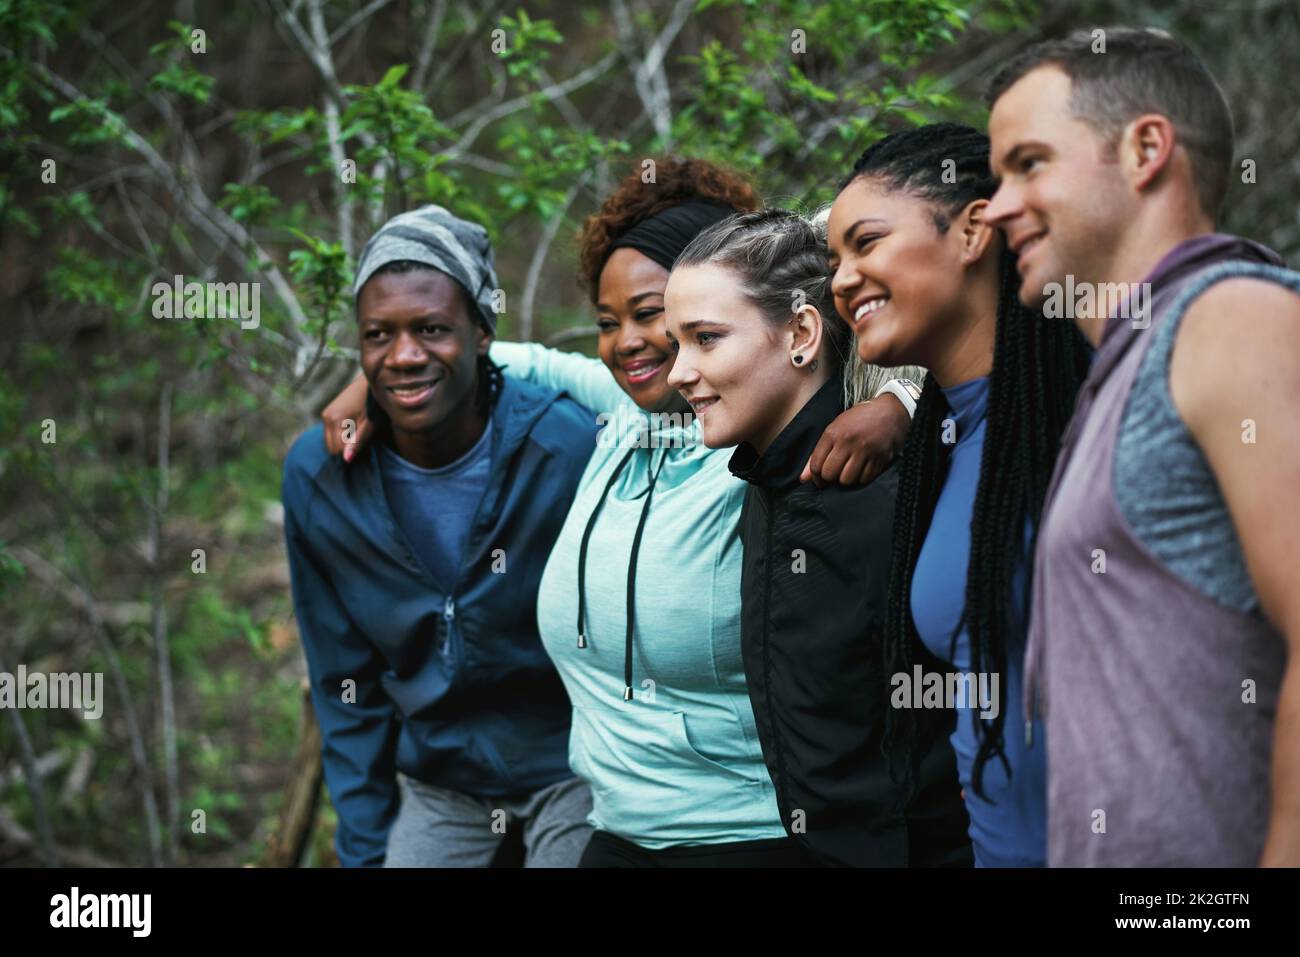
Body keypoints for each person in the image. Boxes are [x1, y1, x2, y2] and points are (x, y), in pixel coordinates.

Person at [321, 158, 916, 866]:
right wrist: (389, 374)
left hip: (745, 832)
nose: (632, 340)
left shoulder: (758, 446)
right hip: (617, 830)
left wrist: (901, 400)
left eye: (663, 318)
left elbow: (921, 321)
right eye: (609, 322)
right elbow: (522, 356)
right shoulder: (622, 420)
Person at [985, 26, 1300, 866]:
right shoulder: (1126, 364)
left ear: (1146, 150)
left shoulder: (1232, 317)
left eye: (1028, 164)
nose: (999, 204)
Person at [282, 205, 597, 867]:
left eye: (430, 328)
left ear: (481, 333)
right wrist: (366, 852)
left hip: (575, 764)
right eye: (379, 334)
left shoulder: (563, 447)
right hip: (443, 781)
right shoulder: (322, 478)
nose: (403, 356)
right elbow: (345, 686)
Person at [664, 208, 970, 866]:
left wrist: (904, 402)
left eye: (706, 339)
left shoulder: (887, 492)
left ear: (801, 334)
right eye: (676, 344)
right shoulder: (766, 482)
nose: (677, 373)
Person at [825, 123, 1093, 866]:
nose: (843, 279)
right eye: (835, 261)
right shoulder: (944, 442)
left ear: (974, 230)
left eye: (866, 242)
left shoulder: (1091, 417)